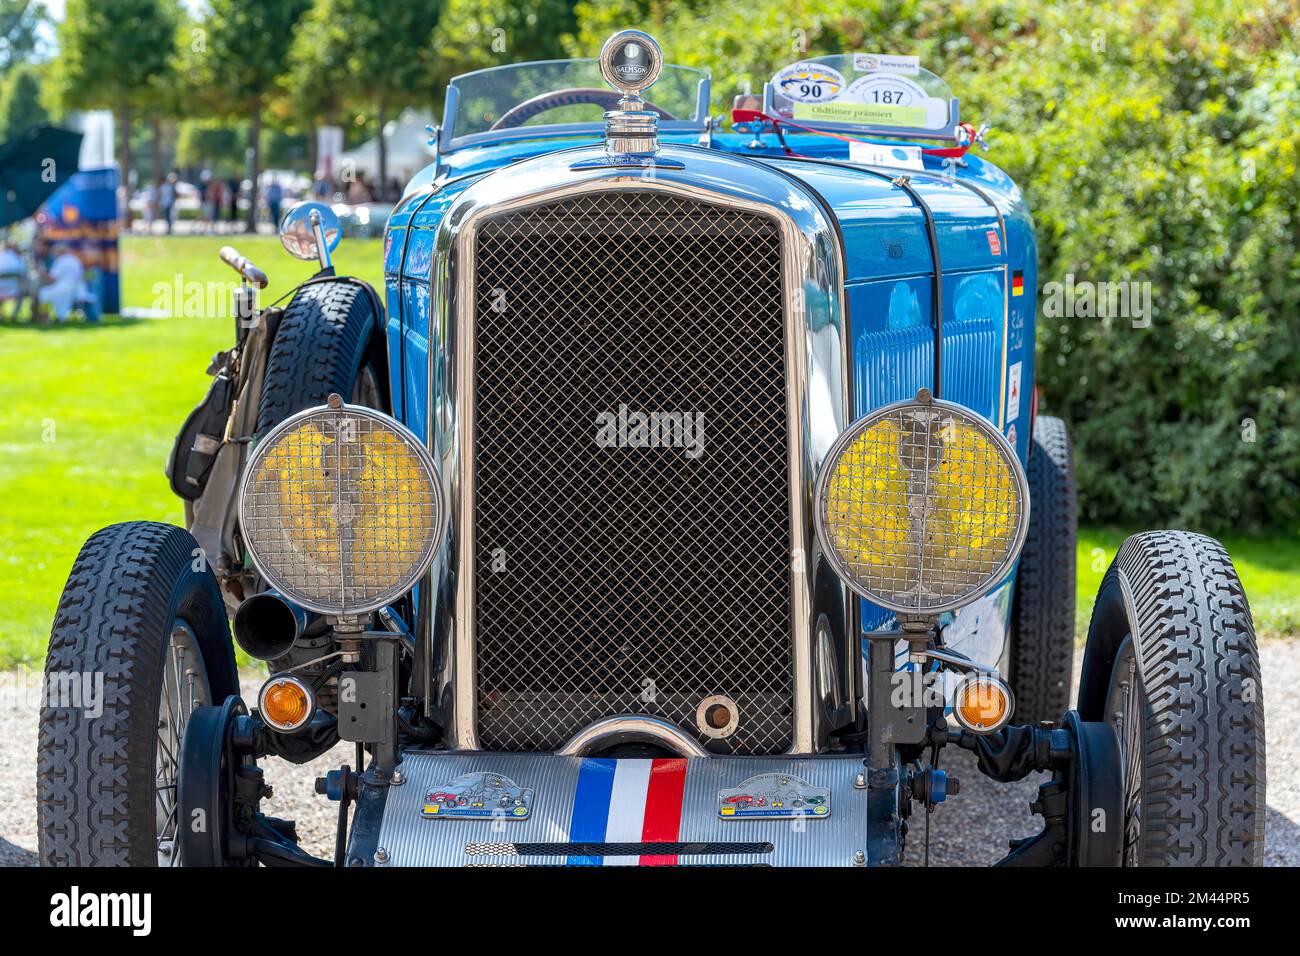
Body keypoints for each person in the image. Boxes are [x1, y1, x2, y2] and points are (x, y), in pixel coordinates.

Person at [34, 244, 86, 323]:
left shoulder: (60, 261)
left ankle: (44, 318)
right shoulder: (75, 260)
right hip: (76, 289)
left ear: (60, 252)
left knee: (42, 294)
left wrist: (42, 274)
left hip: (62, 289)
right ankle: (51, 317)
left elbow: (52, 279)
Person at [0, 241, 28, 319]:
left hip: (0, 289)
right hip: (14, 290)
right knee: (23, 291)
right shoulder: (18, 259)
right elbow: (24, 273)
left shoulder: (1, 257)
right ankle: (14, 315)